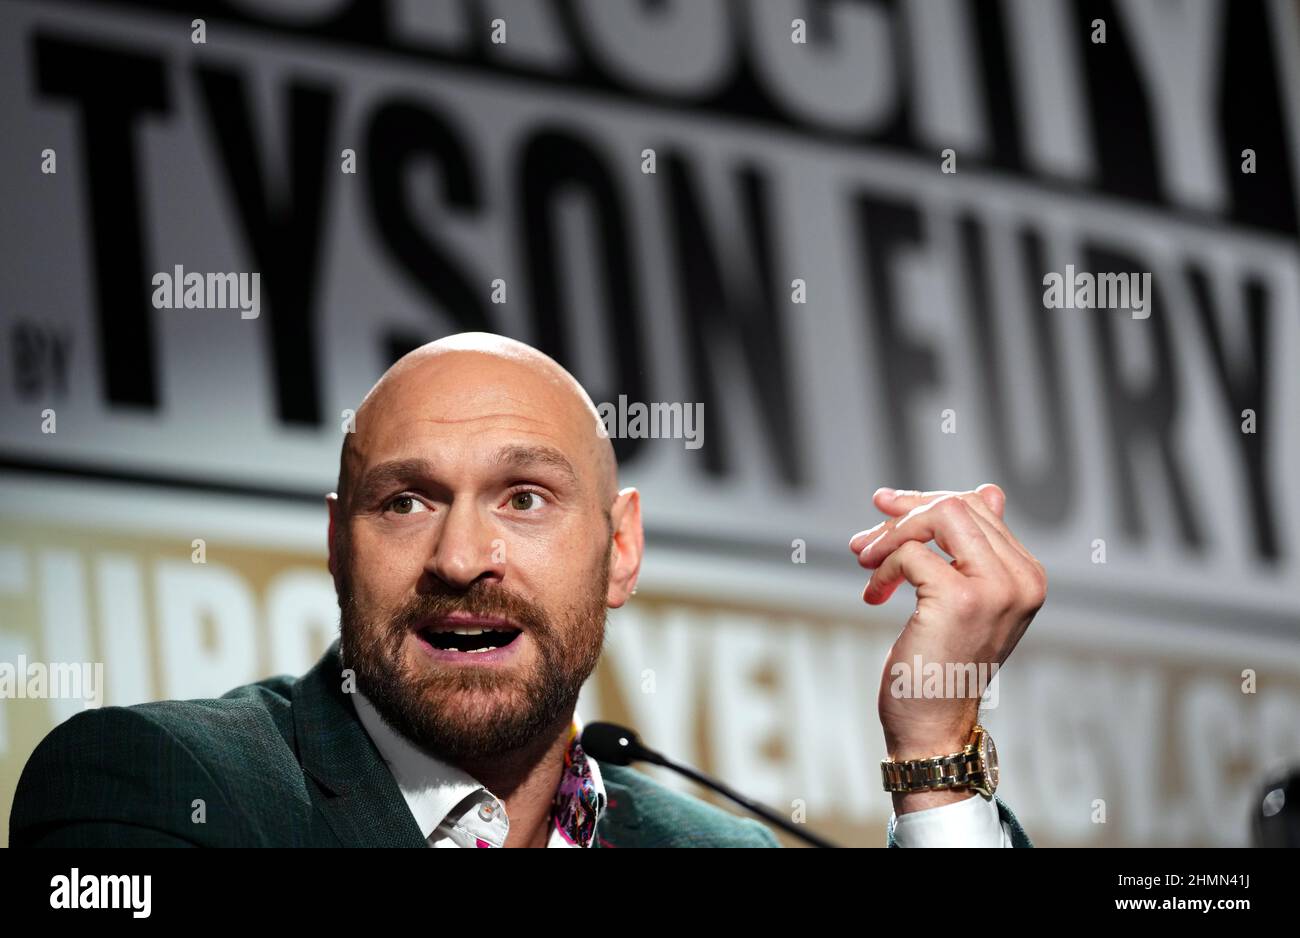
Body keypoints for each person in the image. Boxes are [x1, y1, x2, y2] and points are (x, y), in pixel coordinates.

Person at [10, 333, 1044, 847]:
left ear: (621, 549)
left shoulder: (720, 848)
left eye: (525, 496)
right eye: (405, 502)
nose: (462, 557)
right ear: (336, 544)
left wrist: (934, 761)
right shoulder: (155, 788)